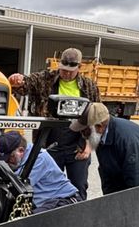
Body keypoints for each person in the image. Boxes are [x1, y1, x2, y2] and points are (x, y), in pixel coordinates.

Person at [7, 47, 100, 200]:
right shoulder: (45, 79)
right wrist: (18, 79)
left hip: (77, 143)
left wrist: (90, 146)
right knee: (47, 188)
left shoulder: (89, 87)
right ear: (59, 65)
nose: (67, 73)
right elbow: (26, 84)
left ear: (80, 67)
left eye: (71, 70)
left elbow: (98, 117)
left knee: (79, 187)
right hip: (49, 142)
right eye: (63, 70)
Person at [70, 103, 139, 195]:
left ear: (99, 126)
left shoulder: (128, 140)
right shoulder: (99, 136)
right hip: (129, 174)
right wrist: (110, 201)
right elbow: (107, 173)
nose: (83, 135)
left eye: (85, 131)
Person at [0, 132, 82, 213]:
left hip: (64, 199)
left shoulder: (38, 158)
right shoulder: (22, 159)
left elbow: (18, 185)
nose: (7, 162)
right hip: (46, 202)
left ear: (21, 151)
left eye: (9, 157)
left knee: (31, 220)